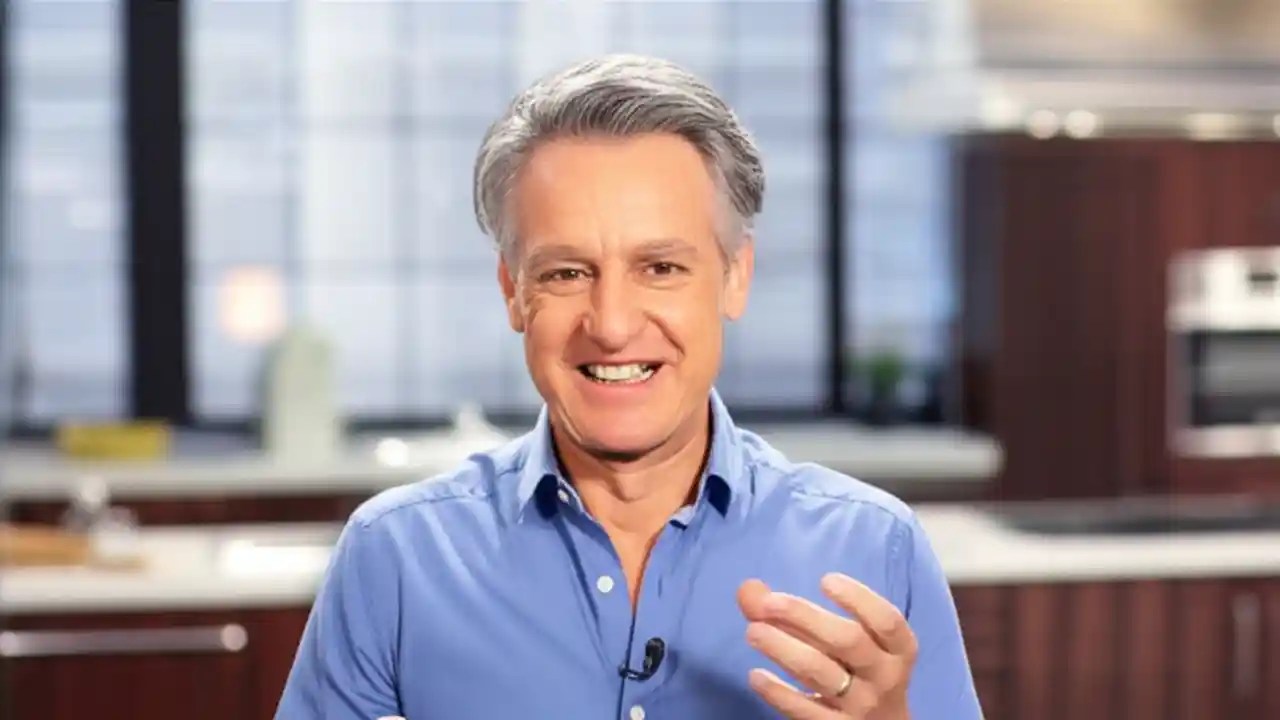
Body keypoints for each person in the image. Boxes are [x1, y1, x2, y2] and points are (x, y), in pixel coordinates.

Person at [276, 54, 981, 720]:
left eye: (660, 268)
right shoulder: (395, 558)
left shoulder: (874, 548)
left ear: (735, 276)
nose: (612, 326)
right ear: (513, 290)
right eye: (566, 273)